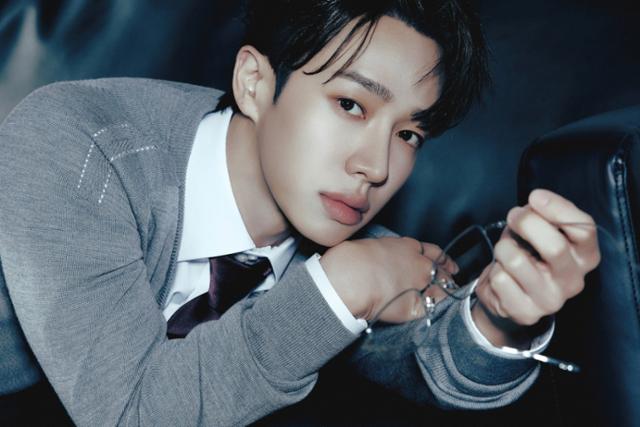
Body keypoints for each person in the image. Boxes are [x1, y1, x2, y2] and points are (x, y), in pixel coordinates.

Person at [0, 0, 600, 425]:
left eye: (409, 134)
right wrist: (345, 285)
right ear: (254, 83)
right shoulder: (75, 145)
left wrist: (500, 319)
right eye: (351, 105)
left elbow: (431, 360)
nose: (377, 167)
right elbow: (130, 414)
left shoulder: (340, 233)